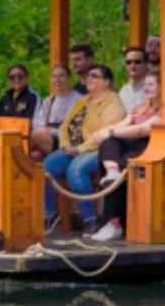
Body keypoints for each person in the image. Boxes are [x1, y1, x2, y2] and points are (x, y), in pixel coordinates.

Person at [43, 65, 126, 231]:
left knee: (75, 169)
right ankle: (50, 215)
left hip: (99, 150)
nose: (88, 78)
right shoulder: (83, 100)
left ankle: (90, 219)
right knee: (47, 165)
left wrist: (79, 149)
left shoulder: (112, 102)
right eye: (88, 75)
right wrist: (65, 144)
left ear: (106, 82)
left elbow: (106, 132)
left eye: (94, 76)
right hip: (73, 148)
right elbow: (65, 126)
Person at [85, 71, 162, 242]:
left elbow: (143, 129)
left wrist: (111, 132)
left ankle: (114, 224)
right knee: (109, 143)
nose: (146, 88)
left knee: (123, 158)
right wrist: (104, 132)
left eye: (151, 85)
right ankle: (112, 172)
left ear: (162, 87)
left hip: (148, 146)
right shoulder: (141, 107)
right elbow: (124, 124)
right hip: (131, 144)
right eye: (146, 84)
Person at [29, 64, 81, 160]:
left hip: (66, 141)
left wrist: (52, 131)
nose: (57, 80)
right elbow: (38, 123)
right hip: (47, 139)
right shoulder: (50, 100)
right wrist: (44, 130)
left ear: (69, 78)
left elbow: (77, 128)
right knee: (34, 156)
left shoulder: (78, 100)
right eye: (54, 76)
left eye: (61, 76)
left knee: (34, 136)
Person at [117, 46, 150, 112]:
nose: (132, 65)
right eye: (128, 62)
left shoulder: (152, 89)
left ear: (146, 64)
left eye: (137, 62)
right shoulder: (124, 91)